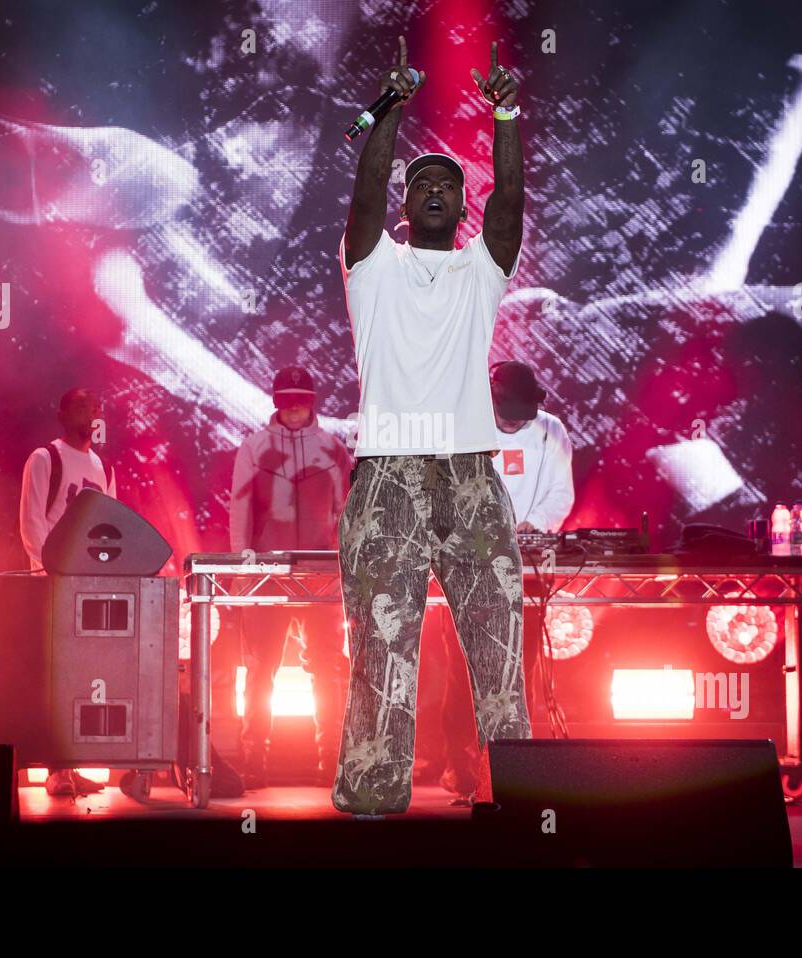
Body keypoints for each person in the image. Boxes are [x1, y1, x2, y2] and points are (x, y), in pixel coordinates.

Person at [334, 38, 529, 817]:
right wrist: (390, 111)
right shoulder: (373, 265)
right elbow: (363, 197)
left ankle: (520, 790)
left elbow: (510, 206)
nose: (438, 192)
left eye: (451, 184)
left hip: (471, 474)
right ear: (407, 207)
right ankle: (375, 793)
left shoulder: (478, 270)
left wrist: (505, 116)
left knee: (498, 635)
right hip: (388, 474)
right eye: (425, 186)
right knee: (384, 645)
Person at [420, 360, 575, 799]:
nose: (514, 423)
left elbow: (560, 493)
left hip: (526, 567)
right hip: (467, 565)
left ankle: (508, 766)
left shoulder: (552, 431)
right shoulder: (460, 428)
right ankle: (461, 766)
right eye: (507, 416)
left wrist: (535, 524)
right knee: (463, 669)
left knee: (518, 670)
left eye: (521, 416)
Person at [229, 366, 352, 787]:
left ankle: (332, 761)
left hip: (320, 572)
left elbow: (347, 511)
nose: (294, 408)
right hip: (269, 571)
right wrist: (243, 566)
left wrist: (344, 566)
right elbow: (241, 508)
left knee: (328, 666)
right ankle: (252, 762)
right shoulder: (254, 447)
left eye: (301, 399)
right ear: (275, 401)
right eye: (286, 399)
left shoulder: (334, 449)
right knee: (261, 667)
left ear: (313, 401)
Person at [18, 387, 116, 796]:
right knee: (52, 678)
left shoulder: (103, 466)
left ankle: (71, 765)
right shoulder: (46, 458)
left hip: (88, 589)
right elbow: (32, 522)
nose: (86, 412)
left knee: (82, 679)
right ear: (61, 413)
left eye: (91, 406)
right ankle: (55, 769)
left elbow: (114, 529)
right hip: (52, 584)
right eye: (77, 405)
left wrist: (107, 579)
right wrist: (49, 571)